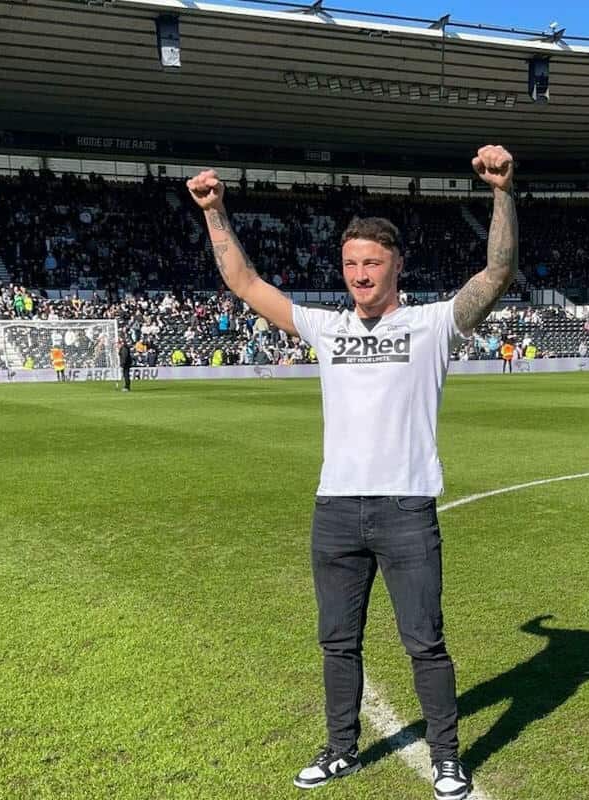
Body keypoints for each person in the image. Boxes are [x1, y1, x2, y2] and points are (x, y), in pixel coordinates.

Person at [186, 144, 519, 800]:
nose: (359, 274)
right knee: (337, 642)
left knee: (424, 642)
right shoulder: (327, 329)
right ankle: (340, 749)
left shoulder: (433, 326)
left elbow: (497, 272)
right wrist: (215, 213)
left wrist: (503, 192)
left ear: (397, 266)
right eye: (350, 263)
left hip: (405, 508)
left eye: (371, 263)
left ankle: (447, 757)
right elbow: (246, 285)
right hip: (334, 508)